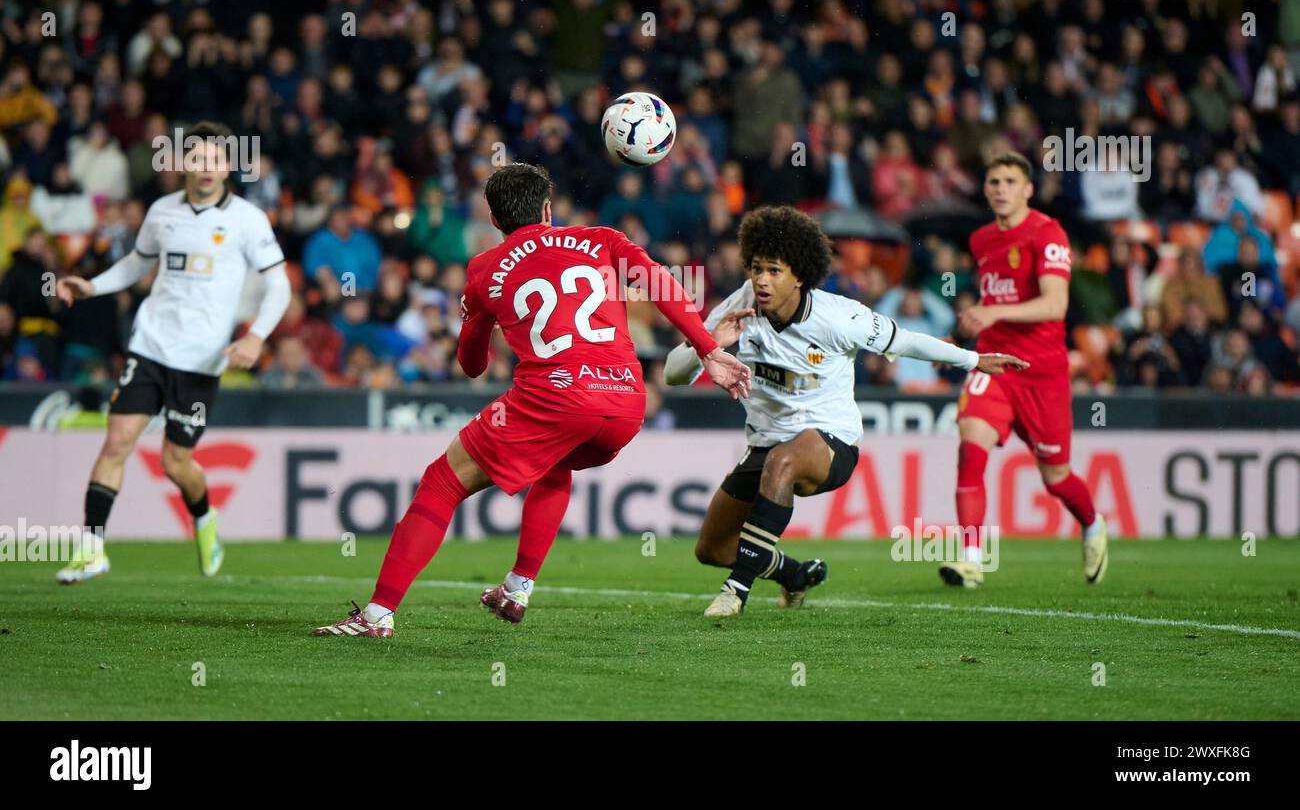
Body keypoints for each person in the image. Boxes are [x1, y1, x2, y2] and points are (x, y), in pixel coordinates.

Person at [312, 163, 750, 636]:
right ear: (547, 208)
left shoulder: (484, 269)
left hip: (557, 396)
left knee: (442, 481)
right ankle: (517, 587)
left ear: (495, 220)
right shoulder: (603, 239)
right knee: (553, 462)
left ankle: (377, 615)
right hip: (626, 400)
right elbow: (662, 284)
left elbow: (472, 364)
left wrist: (480, 318)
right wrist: (708, 349)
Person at [664, 205, 1026, 617]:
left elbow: (906, 341)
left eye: (774, 271)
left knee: (783, 462)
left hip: (831, 442)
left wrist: (973, 360)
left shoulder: (839, 318)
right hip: (765, 445)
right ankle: (795, 574)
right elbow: (675, 376)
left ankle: (737, 590)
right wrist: (708, 342)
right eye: (756, 268)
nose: (762, 280)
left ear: (799, 274)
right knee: (711, 548)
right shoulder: (740, 305)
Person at [53, 121, 291, 583]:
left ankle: (204, 518)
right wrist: (92, 286)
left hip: (202, 362)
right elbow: (138, 262)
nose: (206, 168)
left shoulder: (247, 219)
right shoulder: (162, 211)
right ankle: (92, 550)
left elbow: (278, 284)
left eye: (215, 159)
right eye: (197, 158)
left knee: (174, 462)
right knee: (117, 441)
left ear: (228, 166)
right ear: (182, 163)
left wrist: (257, 336)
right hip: (150, 346)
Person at [944, 152, 1109, 588]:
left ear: (1028, 189)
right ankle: (971, 560)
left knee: (1055, 477)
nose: (1001, 189)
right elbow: (992, 301)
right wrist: (970, 327)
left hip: (1042, 372)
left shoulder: (1048, 232)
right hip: (994, 364)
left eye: (1010, 181)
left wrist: (995, 312)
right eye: (994, 181)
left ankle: (1092, 524)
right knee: (970, 447)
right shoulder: (980, 240)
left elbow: (1056, 304)